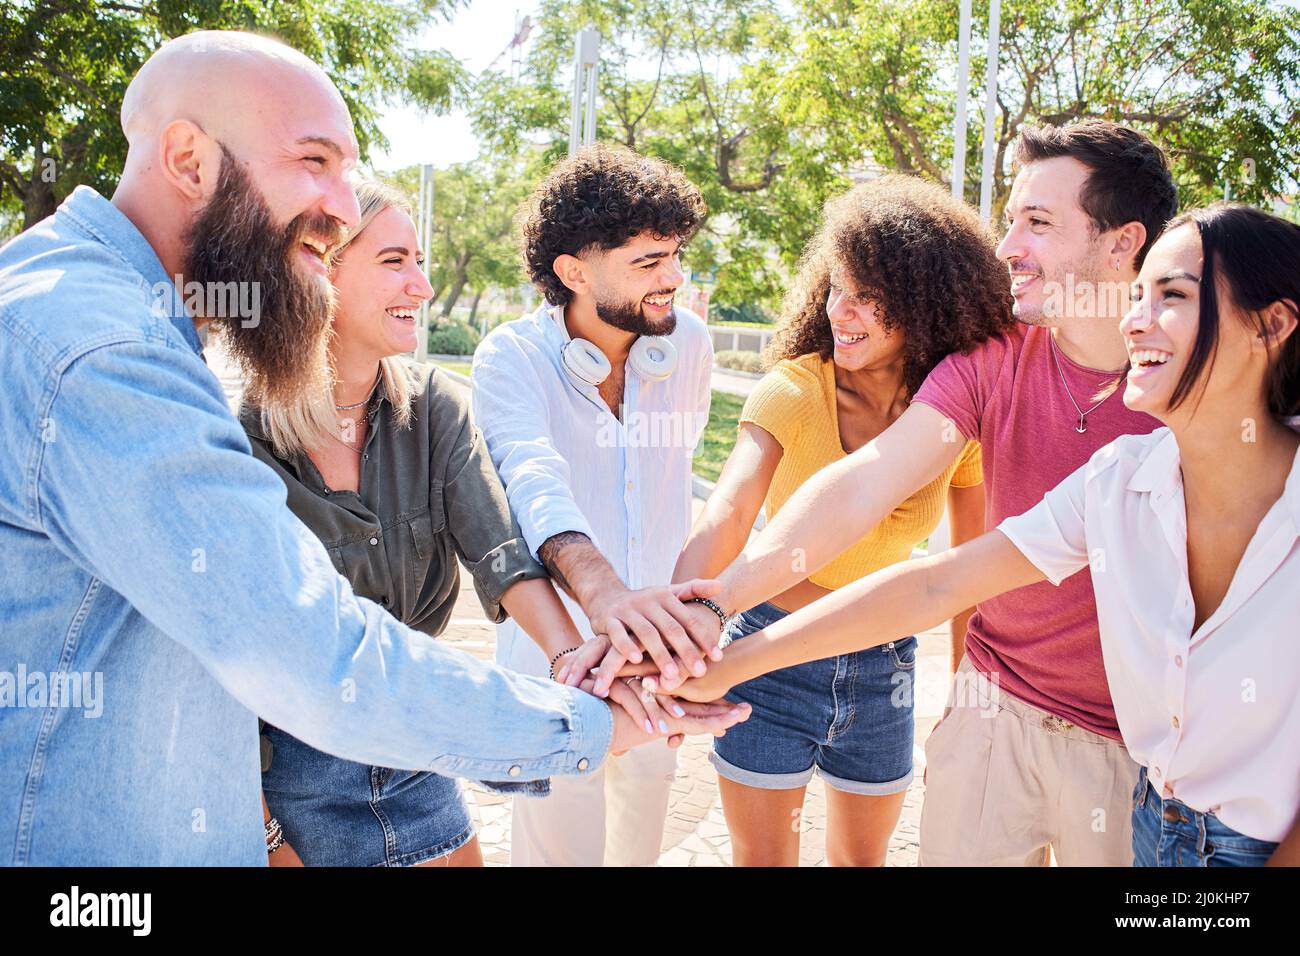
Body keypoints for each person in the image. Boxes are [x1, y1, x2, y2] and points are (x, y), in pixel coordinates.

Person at [0, 30, 746, 866]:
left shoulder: (113, 316)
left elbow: (496, 545)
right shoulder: (104, 352)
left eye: (347, 173)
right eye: (312, 161)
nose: (343, 207)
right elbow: (308, 651)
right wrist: (593, 719)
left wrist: (583, 657)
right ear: (188, 158)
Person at [654, 203, 1300, 867]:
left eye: (1171, 296)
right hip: (1156, 824)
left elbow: (943, 575)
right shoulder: (1118, 481)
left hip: (1249, 836)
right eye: (1137, 296)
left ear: (1272, 325)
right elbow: (939, 579)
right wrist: (703, 649)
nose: (1134, 321)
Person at [242, 181, 683, 867]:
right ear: (319, 269)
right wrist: (266, 834)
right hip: (290, 772)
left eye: (420, 261)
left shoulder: (435, 408)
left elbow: (501, 552)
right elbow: (217, 660)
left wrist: (573, 664)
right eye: (395, 262)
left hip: (419, 739)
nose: (421, 286)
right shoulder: (240, 433)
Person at [669, 175, 1011, 865]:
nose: (841, 312)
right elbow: (730, 509)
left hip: (882, 666)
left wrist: (968, 695)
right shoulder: (794, 389)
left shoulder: (954, 419)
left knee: (863, 861)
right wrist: (673, 635)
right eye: (836, 290)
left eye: (869, 298)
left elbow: (971, 567)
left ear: (925, 305)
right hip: (765, 653)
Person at [470, 144, 722, 866]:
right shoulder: (512, 357)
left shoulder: (690, 347)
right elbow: (532, 480)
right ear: (574, 272)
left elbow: (679, 483)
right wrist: (606, 598)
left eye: (676, 256)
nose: (673, 278)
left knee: (637, 850)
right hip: (559, 663)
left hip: (660, 664)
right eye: (648, 263)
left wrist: (667, 628)